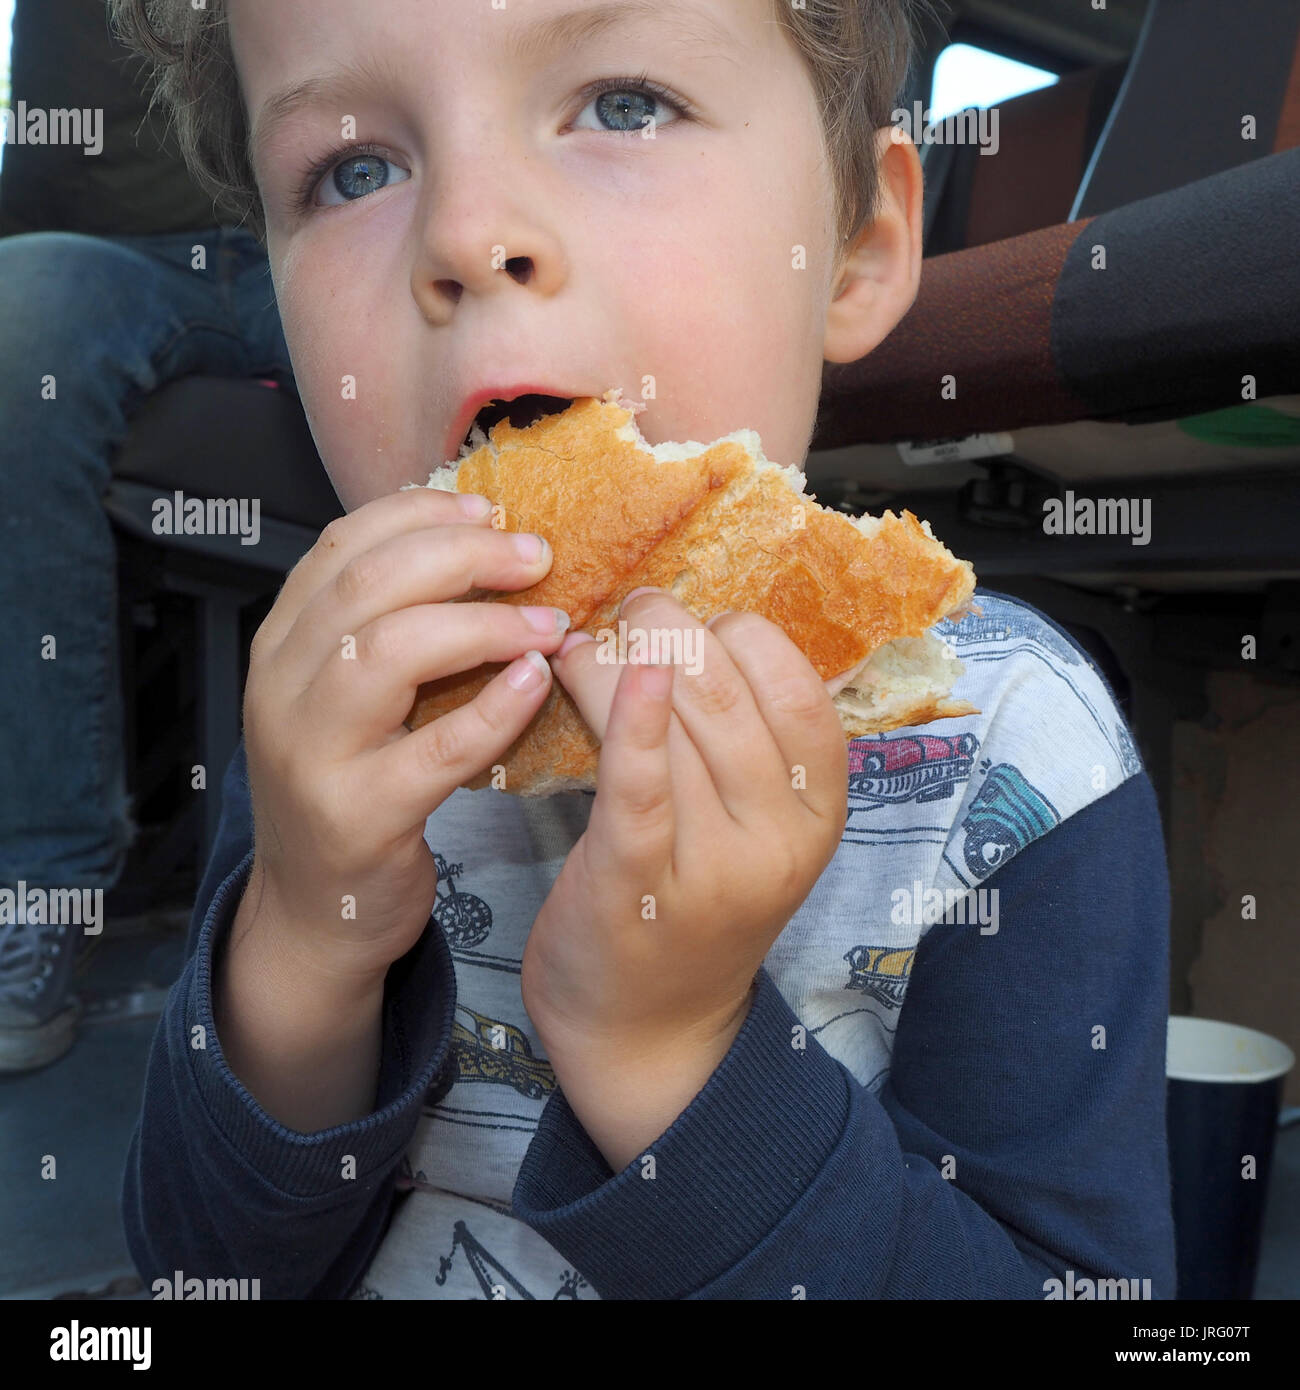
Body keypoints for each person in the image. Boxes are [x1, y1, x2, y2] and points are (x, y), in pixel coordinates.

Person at [115, 0, 1176, 1299]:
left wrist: (673, 1050)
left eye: (623, 103)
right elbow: (192, 1270)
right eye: (353, 169)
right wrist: (300, 942)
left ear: (854, 249)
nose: (466, 233)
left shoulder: (1014, 750)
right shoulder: (340, 721)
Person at [0, 0, 296, 1070]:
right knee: (14, 312)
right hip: (109, 262)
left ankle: (383, 882)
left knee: (450, 301)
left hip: (317, 225)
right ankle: (37, 887)